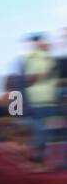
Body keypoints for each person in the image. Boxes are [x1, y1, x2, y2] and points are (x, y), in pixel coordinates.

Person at [21, 34, 58, 167]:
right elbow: (17, 85)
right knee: (38, 136)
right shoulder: (24, 61)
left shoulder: (50, 60)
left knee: (48, 138)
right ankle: (37, 162)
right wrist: (16, 111)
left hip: (50, 106)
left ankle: (43, 163)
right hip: (33, 107)